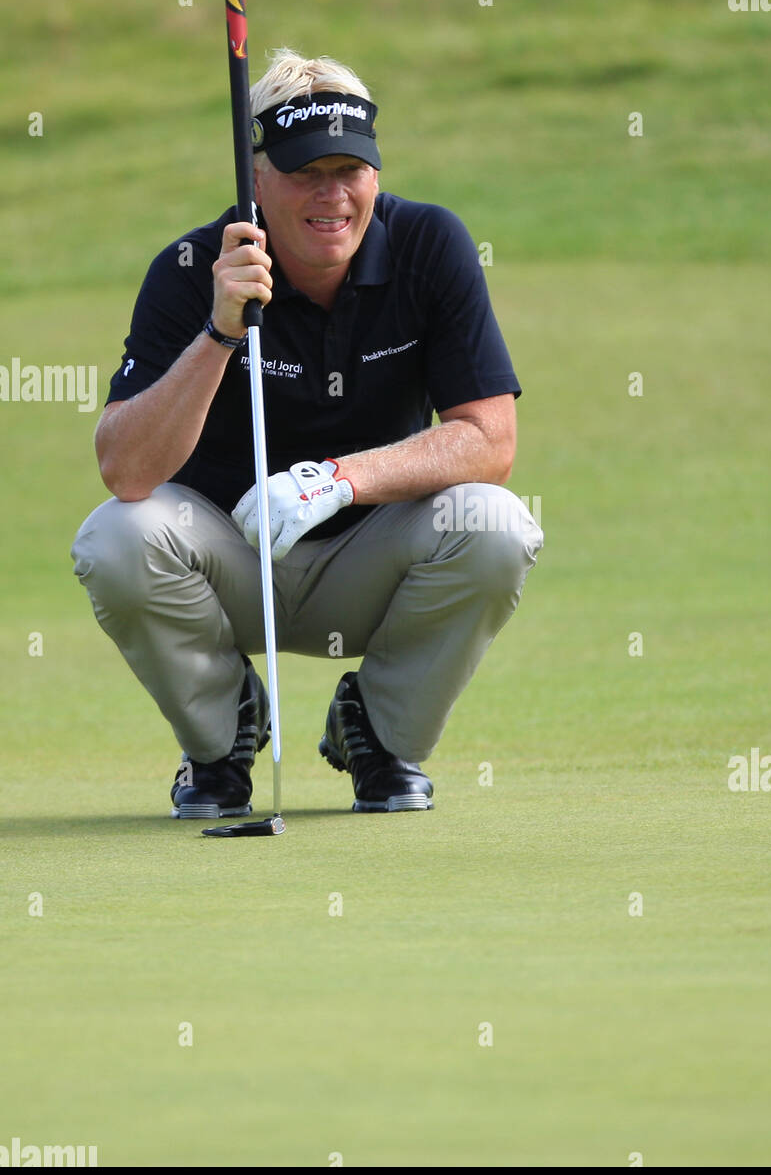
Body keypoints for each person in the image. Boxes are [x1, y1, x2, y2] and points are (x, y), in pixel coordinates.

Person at [71, 49, 543, 818]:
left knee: (494, 524)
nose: (333, 196)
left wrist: (335, 479)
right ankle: (222, 740)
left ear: (376, 175)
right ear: (254, 178)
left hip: (373, 565)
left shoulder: (430, 246)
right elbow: (125, 469)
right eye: (303, 172)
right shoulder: (193, 266)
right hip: (229, 569)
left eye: (349, 169)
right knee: (114, 538)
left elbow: (488, 439)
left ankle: (379, 735)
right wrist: (220, 332)